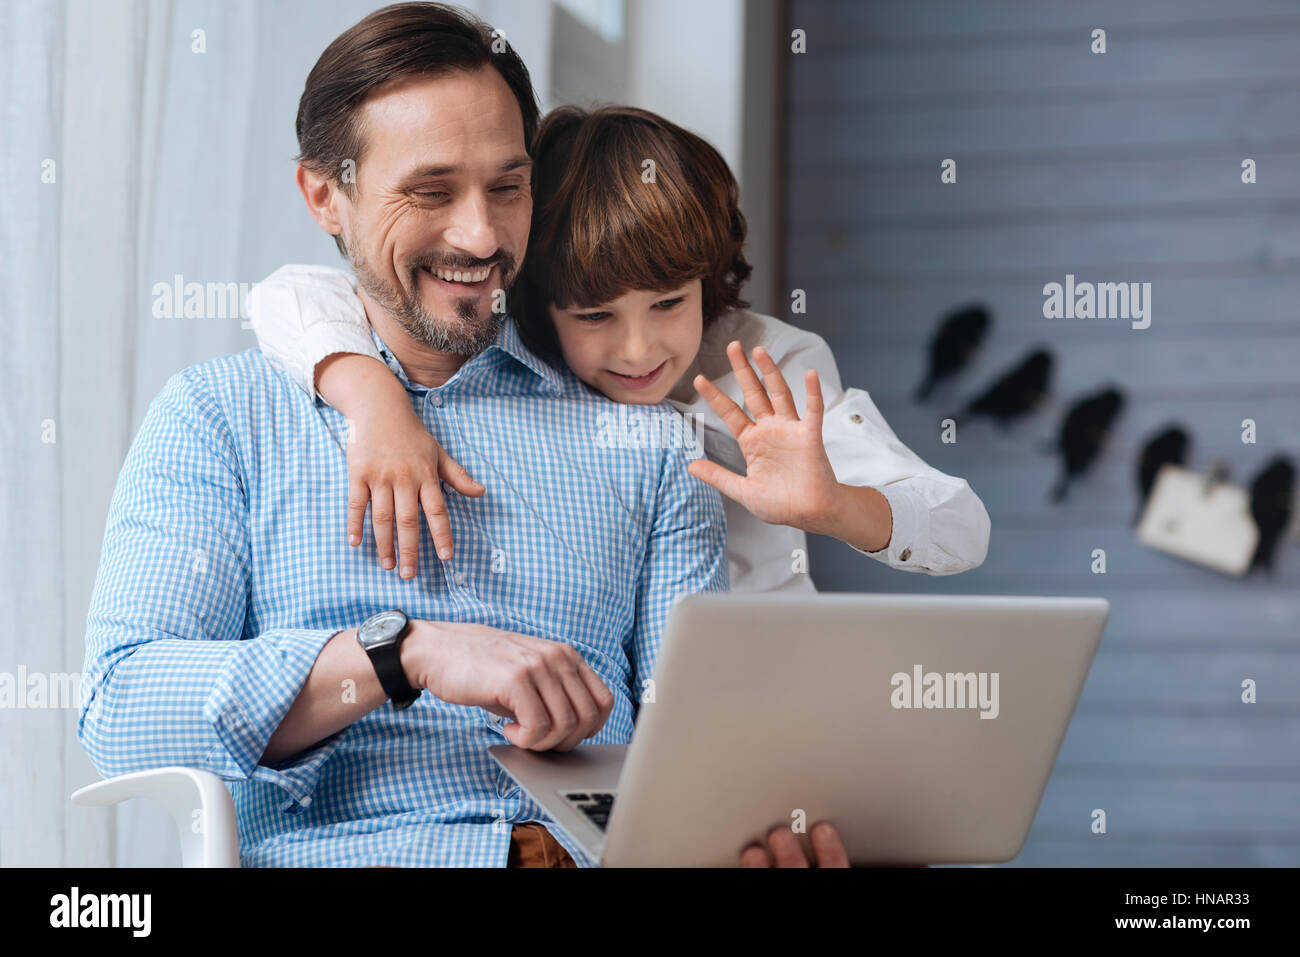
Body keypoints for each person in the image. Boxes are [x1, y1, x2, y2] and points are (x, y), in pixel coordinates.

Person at [79, 2, 739, 869]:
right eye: (430, 192)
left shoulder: (650, 445)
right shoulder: (222, 420)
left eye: (507, 187)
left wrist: (762, 831)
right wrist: (400, 654)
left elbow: (708, 756)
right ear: (325, 194)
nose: (480, 235)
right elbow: (120, 711)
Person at [249, 106, 992, 598]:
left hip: (763, 689)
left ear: (711, 278)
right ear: (539, 303)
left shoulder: (766, 364)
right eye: (596, 314)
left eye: (670, 302)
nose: (639, 347)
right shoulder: (514, 343)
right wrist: (374, 403)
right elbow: (286, 293)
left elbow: (962, 527)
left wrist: (835, 506)